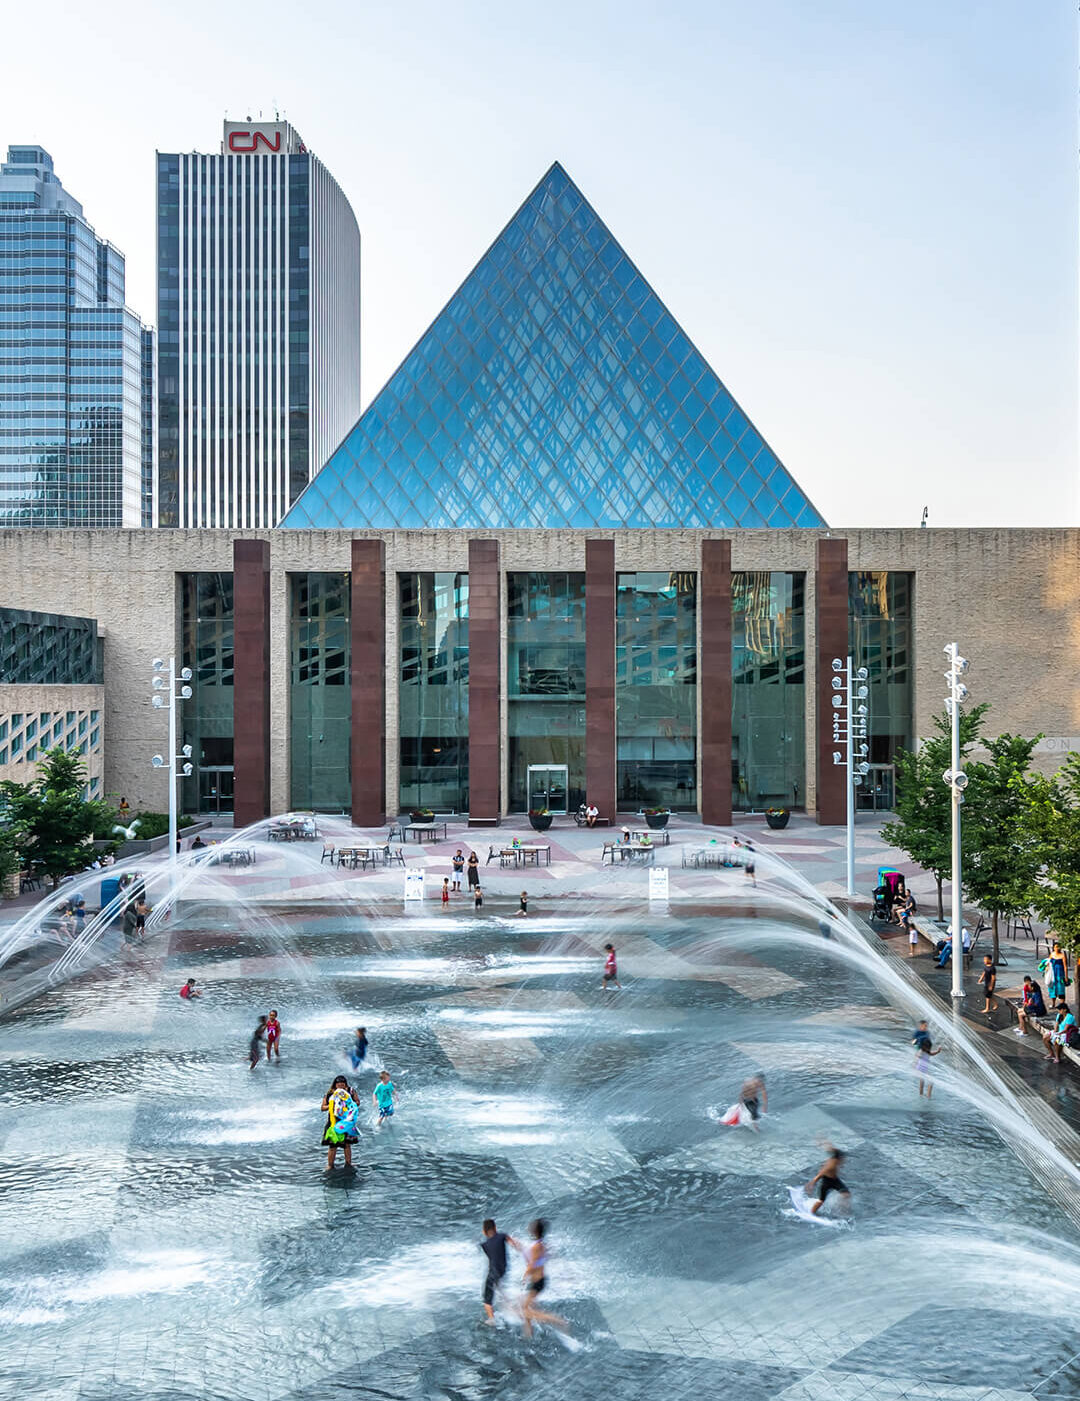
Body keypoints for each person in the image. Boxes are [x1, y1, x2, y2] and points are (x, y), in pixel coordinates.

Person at [520, 1219, 571, 1339]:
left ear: (535, 1231)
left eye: (532, 1226)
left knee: (525, 1309)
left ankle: (559, 1321)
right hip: (538, 1280)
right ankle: (528, 1335)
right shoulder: (542, 1245)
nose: (529, 1228)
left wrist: (525, 1276)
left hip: (537, 1281)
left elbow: (532, 1264)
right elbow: (542, 1259)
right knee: (528, 1308)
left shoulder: (536, 1247)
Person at [480, 1218, 521, 1323]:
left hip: (493, 1272)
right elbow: (514, 1244)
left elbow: (491, 1258)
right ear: (495, 1228)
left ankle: (492, 1320)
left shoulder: (485, 1245)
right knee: (498, 1288)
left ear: (484, 1231)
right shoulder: (502, 1236)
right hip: (503, 1270)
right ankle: (512, 1308)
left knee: (486, 1300)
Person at [321, 1075, 360, 1169]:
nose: (341, 1087)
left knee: (347, 1144)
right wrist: (333, 1105)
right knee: (332, 1145)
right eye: (338, 1085)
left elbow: (357, 1102)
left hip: (346, 1122)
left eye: (343, 1085)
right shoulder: (330, 1094)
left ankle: (348, 1163)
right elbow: (322, 1107)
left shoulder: (350, 1092)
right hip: (333, 1122)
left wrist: (348, 1104)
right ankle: (330, 1165)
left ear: (346, 1085)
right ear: (335, 1085)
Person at [806, 1146, 850, 1217]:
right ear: (838, 1159)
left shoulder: (835, 1159)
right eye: (842, 1159)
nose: (843, 1160)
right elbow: (819, 1175)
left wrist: (823, 1142)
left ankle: (841, 1210)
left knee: (846, 1194)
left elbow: (833, 1149)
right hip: (827, 1182)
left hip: (835, 1180)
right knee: (821, 1201)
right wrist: (811, 1184)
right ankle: (811, 1213)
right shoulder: (830, 1166)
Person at [913, 1028, 941, 1097]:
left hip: (924, 1069)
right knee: (930, 1082)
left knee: (923, 1082)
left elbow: (931, 1054)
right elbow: (917, 1055)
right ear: (924, 1047)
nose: (929, 1049)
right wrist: (916, 1059)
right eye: (928, 1047)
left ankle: (922, 1095)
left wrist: (938, 1051)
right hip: (920, 1069)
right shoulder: (921, 1051)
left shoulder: (927, 1052)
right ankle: (927, 1096)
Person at [1045, 941, 1070, 1009]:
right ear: (1053, 947)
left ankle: (1062, 1005)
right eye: (1056, 947)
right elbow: (1048, 963)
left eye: (1058, 947)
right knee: (1052, 988)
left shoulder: (1062, 956)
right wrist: (1046, 969)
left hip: (1060, 975)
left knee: (1061, 989)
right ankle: (1053, 1003)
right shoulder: (1052, 954)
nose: (1057, 948)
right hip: (1053, 975)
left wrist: (1066, 977)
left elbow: (1065, 967)